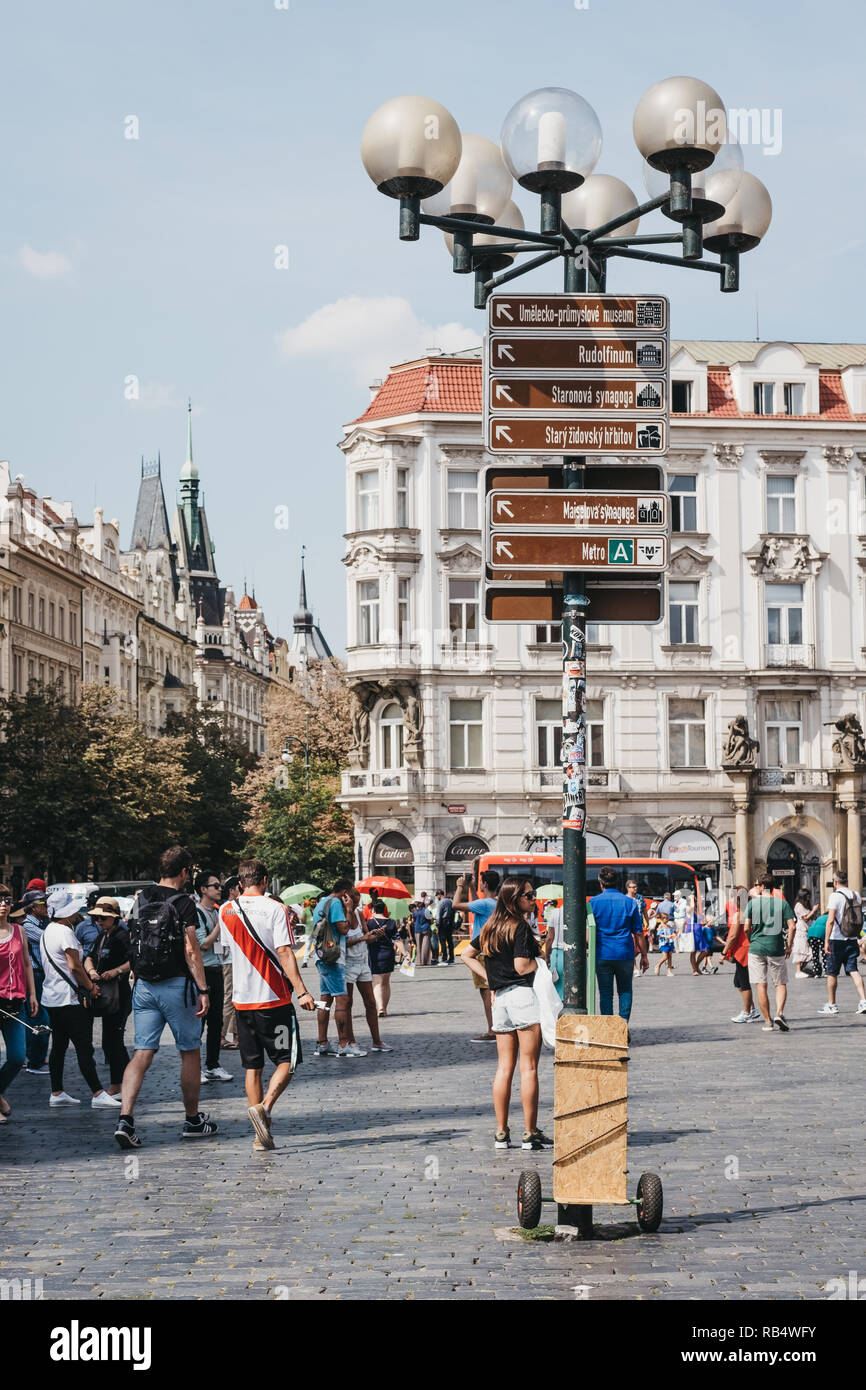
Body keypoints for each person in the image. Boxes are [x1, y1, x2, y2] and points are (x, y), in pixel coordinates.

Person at [115, 846, 215, 1149]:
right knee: (189, 1051)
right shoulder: (184, 902)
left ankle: (125, 1119)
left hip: (144, 985)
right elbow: (190, 948)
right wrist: (203, 989)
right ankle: (193, 1120)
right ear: (184, 872)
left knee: (142, 1053)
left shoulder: (141, 897)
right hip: (176, 986)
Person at [218, 859, 315, 1150]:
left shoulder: (225, 910)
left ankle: (259, 1133)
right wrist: (302, 991)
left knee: (252, 1066)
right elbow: (285, 952)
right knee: (288, 1060)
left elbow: (228, 950)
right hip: (274, 999)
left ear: (240, 881)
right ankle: (266, 1108)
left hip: (242, 1001)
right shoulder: (277, 909)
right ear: (264, 879)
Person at [462, 877, 551, 1152]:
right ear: (515, 899)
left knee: (504, 1068)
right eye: (529, 895)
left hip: (498, 1000)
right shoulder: (520, 926)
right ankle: (530, 1131)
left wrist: (489, 978)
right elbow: (522, 966)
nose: (533, 899)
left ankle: (501, 1132)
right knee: (529, 1067)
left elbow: (466, 955)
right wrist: (541, 958)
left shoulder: (491, 927)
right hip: (522, 997)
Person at [41, 890, 118, 1109]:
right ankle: (98, 1093)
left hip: (53, 997)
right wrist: (90, 987)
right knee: (84, 1047)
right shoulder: (65, 932)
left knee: (58, 1047)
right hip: (70, 998)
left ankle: (56, 1092)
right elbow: (74, 966)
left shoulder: (49, 930)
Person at [83, 897, 133, 1096]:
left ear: (114, 917)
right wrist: (92, 971)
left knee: (114, 1040)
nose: (99, 922)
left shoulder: (123, 936)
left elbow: (134, 960)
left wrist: (117, 971)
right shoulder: (103, 935)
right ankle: (127, 1078)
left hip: (119, 994)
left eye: (103, 918)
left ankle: (118, 1083)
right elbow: (89, 957)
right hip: (105, 992)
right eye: (97, 918)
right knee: (110, 1040)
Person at [0, 883, 38, 1120]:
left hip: (15, 1002)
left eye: (6, 899)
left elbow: (26, 964)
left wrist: (32, 994)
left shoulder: (19, 930)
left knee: (17, 1057)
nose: (3, 904)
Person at [590, 867, 647, 1027]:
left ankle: (609, 1029)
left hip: (602, 953)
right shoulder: (629, 903)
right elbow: (638, 932)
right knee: (625, 990)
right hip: (624, 952)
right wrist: (644, 955)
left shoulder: (593, 903)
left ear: (601, 883)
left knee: (605, 993)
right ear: (619, 883)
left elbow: (588, 931)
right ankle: (622, 1025)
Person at [453, 868, 501, 1042]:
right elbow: (477, 902)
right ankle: (496, 1027)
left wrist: (460, 887)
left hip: (479, 952)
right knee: (492, 990)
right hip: (493, 949)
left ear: (485, 884)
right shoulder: (495, 902)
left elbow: (455, 905)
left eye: (481, 883)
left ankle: (492, 1030)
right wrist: (472, 887)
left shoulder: (484, 904)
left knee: (486, 992)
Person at [744, 875, 796, 1032]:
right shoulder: (782, 903)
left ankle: (768, 1021)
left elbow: (746, 927)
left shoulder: (752, 904)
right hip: (776, 947)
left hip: (756, 948)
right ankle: (779, 1013)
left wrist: (751, 939)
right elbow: (792, 926)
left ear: (760, 886)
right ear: (775, 887)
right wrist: (789, 945)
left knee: (761, 984)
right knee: (780, 983)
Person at [193, 871, 231, 1084]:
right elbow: (203, 944)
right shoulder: (197, 913)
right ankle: (195, 1067)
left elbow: (216, 944)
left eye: (220, 886)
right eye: (215, 886)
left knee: (217, 1021)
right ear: (203, 889)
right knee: (200, 1022)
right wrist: (220, 924)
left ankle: (213, 1064)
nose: (219, 889)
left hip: (217, 968)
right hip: (203, 972)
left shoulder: (216, 912)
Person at [343, 887, 391, 1053]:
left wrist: (375, 934)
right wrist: (362, 937)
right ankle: (351, 1041)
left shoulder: (359, 914)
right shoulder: (342, 915)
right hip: (347, 963)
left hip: (362, 962)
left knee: (371, 1003)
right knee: (347, 1003)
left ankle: (377, 1041)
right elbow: (342, 942)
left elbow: (367, 938)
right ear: (346, 899)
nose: (356, 905)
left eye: (357, 902)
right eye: (353, 902)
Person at [310, 878, 353, 1058]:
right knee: (342, 999)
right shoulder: (335, 903)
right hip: (333, 958)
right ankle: (343, 1044)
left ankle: (323, 1043)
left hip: (321, 956)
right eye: (350, 894)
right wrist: (349, 910)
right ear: (345, 893)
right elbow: (343, 929)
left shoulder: (322, 902)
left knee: (325, 999)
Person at [12, 888, 51, 1075]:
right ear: (32, 907)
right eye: (43, 903)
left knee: (38, 1015)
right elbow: (48, 940)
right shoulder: (27, 926)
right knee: (38, 1017)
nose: (47, 906)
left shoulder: (43, 923)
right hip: (34, 975)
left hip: (40, 975)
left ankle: (35, 1057)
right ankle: (34, 1059)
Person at [819, 869, 866, 1016]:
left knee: (831, 972)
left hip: (836, 939)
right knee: (853, 970)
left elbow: (831, 920)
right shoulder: (855, 894)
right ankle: (864, 1000)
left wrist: (826, 941)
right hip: (852, 938)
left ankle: (832, 1004)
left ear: (835, 882)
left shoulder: (835, 896)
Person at [721, 886, 760, 1023]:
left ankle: (747, 1012)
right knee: (738, 982)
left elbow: (732, 936)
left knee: (744, 983)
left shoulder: (740, 914)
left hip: (743, 951)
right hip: (748, 949)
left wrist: (723, 952)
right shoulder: (752, 911)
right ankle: (752, 1009)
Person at [367, 898, 400, 1016]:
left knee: (376, 982)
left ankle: (380, 1007)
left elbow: (365, 939)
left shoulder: (369, 923)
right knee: (386, 982)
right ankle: (384, 1008)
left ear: (373, 910)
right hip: (389, 954)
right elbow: (398, 939)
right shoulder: (391, 922)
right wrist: (405, 953)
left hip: (375, 954)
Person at [219, 876, 240, 1049]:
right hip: (232, 960)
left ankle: (236, 1036)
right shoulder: (229, 908)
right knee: (230, 997)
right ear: (232, 890)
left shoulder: (225, 908)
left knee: (236, 996)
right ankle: (223, 1034)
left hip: (234, 959)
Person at [792, 888, 818, 979]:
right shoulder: (798, 905)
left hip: (808, 930)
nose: (809, 897)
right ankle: (798, 971)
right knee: (801, 949)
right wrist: (814, 910)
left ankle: (803, 969)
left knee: (809, 951)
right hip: (801, 930)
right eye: (807, 895)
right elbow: (805, 918)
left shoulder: (806, 905)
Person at [625, 879, 649, 977]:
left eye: (636, 887)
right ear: (628, 888)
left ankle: (632, 963)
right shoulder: (625, 898)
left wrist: (647, 921)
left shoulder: (640, 897)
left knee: (641, 948)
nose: (635, 889)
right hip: (629, 926)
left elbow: (644, 910)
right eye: (633, 887)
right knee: (632, 946)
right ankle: (635, 968)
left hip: (639, 925)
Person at [543, 899, 565, 1001]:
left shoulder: (555, 912)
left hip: (557, 953)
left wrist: (547, 956)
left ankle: (558, 1015)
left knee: (558, 989)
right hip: (576, 952)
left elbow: (550, 937)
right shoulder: (582, 912)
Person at [410, 898, 433, 966]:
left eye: (416, 902)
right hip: (426, 929)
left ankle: (419, 961)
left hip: (417, 929)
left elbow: (413, 921)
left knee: (418, 946)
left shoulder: (415, 912)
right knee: (425, 945)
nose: (415, 903)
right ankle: (425, 961)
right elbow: (431, 920)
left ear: (419, 903)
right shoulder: (426, 910)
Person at [436, 891, 456, 965]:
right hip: (450, 922)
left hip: (443, 923)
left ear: (439, 895)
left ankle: (444, 958)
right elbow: (454, 912)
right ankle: (451, 958)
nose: (437, 897)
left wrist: (437, 926)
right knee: (450, 941)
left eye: (437, 896)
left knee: (443, 941)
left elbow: (438, 914)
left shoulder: (441, 902)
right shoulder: (450, 901)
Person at [807, 910, 828, 977]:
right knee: (824, 953)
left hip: (811, 934)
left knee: (815, 954)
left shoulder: (820, 917)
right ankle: (826, 971)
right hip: (820, 933)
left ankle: (816, 972)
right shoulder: (830, 917)